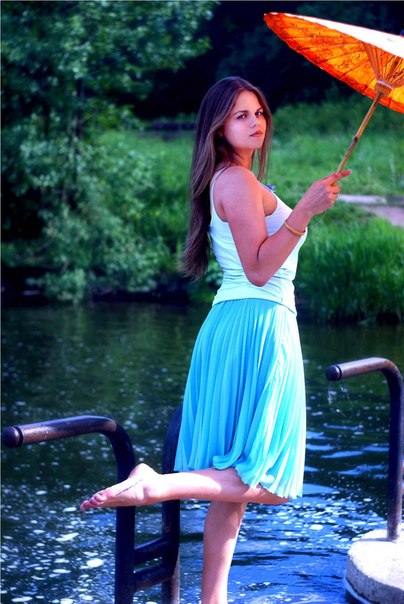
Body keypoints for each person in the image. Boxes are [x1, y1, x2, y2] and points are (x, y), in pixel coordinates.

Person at [80, 76, 350, 603]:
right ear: (218, 128)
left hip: (241, 322)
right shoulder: (237, 181)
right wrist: (303, 212)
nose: (255, 122)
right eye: (240, 115)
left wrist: (302, 210)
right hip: (258, 322)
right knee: (267, 479)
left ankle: (212, 598)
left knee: (234, 485)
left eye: (259, 112)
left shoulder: (233, 179)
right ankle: (155, 485)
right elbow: (258, 269)